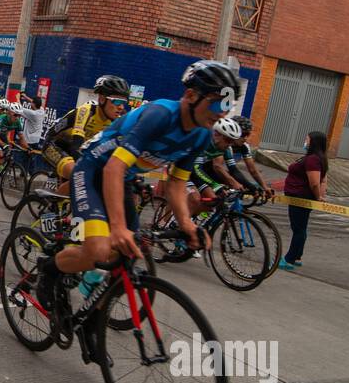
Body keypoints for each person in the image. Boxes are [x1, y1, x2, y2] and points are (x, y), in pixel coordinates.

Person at [35, 60, 240, 314]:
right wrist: (118, 228)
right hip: (93, 169)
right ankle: (49, 270)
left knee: (129, 250)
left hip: (122, 177)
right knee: (98, 249)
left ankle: (93, 315)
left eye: (228, 106)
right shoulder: (161, 115)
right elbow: (113, 167)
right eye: (218, 103)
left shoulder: (201, 135)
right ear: (190, 95)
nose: (222, 113)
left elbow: (176, 182)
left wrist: (187, 225)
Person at [41, 75, 132, 192]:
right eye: (117, 101)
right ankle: (54, 204)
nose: (120, 107)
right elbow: (76, 146)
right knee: (79, 177)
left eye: (123, 102)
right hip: (54, 144)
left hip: (75, 147)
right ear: (102, 99)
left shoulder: (115, 120)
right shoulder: (86, 111)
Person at [279, 131, 329, 271]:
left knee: (298, 229)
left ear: (313, 142)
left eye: (307, 139)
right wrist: (319, 195)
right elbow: (323, 180)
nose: (305, 141)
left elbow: (315, 182)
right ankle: (297, 256)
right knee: (301, 227)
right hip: (301, 197)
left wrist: (318, 196)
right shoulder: (318, 158)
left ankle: (289, 259)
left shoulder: (313, 159)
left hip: (300, 198)